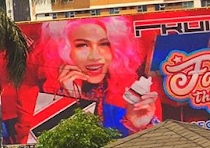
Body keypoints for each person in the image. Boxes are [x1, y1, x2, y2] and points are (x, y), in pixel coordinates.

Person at [32, 17, 160, 134]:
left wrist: (137, 125)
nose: (94, 56)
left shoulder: (133, 102)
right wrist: (69, 100)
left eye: (104, 44)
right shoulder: (42, 99)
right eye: (82, 45)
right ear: (62, 50)